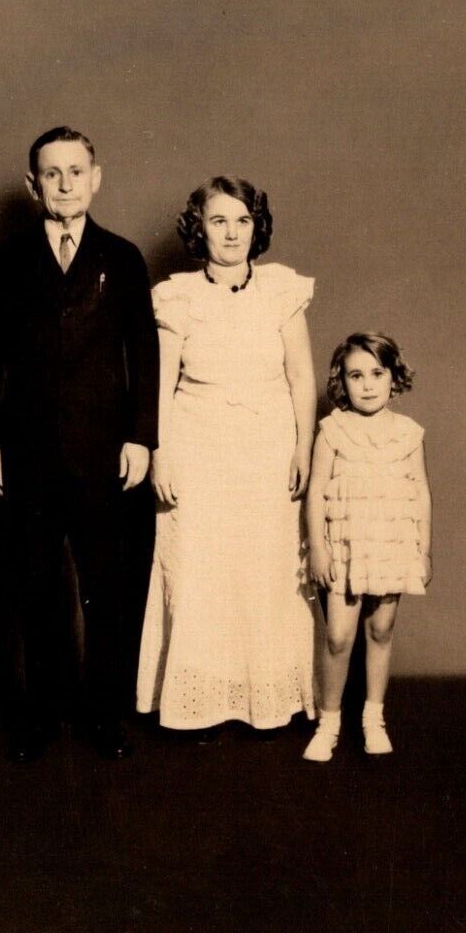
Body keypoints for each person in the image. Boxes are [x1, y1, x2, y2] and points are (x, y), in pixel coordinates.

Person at [0, 126, 158, 759]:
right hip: (27, 452)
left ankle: (104, 715)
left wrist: (141, 440)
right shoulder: (5, 261)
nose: (64, 184)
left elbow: (146, 356)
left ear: (96, 178)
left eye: (75, 171)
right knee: (37, 584)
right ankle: (42, 716)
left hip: (104, 453)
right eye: (51, 174)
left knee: (106, 585)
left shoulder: (123, 258)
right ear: (33, 185)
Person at [136, 175, 318, 732]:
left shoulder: (282, 290)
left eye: (242, 220)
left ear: (256, 226)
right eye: (218, 221)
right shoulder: (176, 296)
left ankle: (267, 698)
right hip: (198, 447)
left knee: (266, 567)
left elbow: (302, 379)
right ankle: (200, 701)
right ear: (200, 229)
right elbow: (160, 386)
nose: (232, 232)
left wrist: (303, 448)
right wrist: (160, 455)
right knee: (197, 568)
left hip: (267, 446)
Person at [302, 332, 432, 762]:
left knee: (380, 630)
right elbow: (316, 491)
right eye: (356, 375)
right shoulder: (332, 430)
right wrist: (318, 549)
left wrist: (423, 549)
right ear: (342, 380)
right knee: (339, 637)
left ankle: (373, 719)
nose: (368, 384)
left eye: (377, 373)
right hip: (345, 545)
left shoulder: (407, 434)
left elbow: (421, 493)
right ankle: (329, 722)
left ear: (394, 377)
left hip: (390, 544)